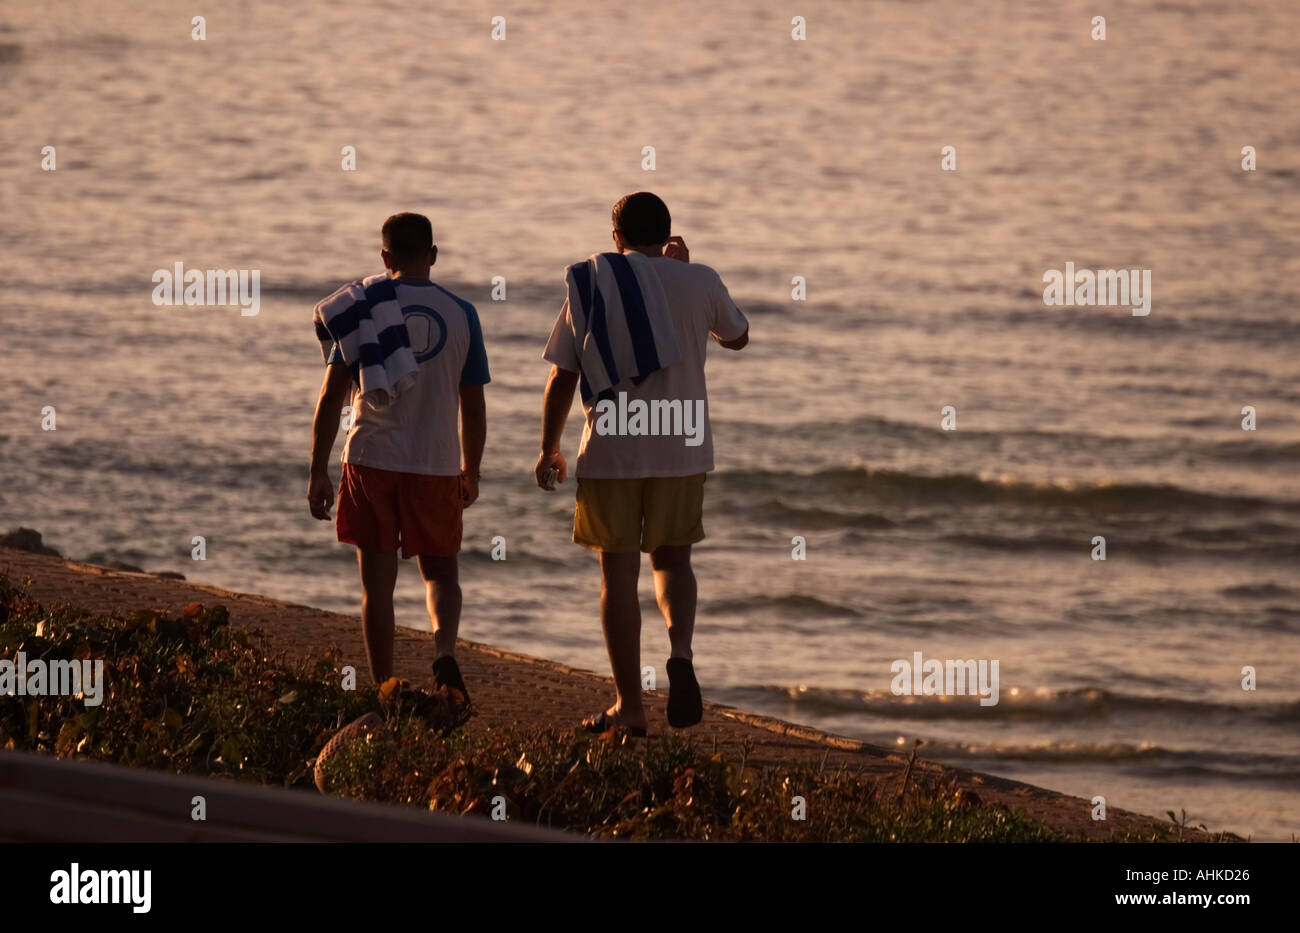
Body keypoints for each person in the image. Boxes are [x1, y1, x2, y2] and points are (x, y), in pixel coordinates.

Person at [535, 192, 749, 735]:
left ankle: (630, 708)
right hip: (682, 441)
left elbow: (562, 374)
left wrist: (549, 447)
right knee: (673, 562)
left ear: (617, 239)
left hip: (613, 444)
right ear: (668, 234)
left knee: (618, 576)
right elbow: (738, 337)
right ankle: (679, 652)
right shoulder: (699, 278)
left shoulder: (594, 283)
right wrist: (685, 273)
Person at [308, 212, 488, 701]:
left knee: (377, 586)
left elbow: (330, 398)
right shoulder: (462, 312)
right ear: (433, 255)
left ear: (384, 257)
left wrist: (317, 472)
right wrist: (470, 469)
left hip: (371, 459)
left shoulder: (360, 310)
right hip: (435, 461)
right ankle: (444, 653)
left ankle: (384, 687)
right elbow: (473, 404)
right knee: (442, 572)